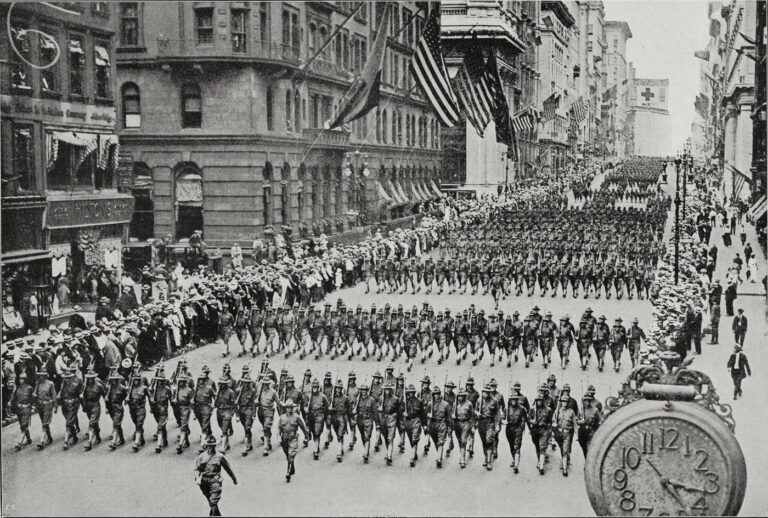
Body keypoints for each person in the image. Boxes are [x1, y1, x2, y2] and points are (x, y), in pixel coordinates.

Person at [195, 435, 237, 516]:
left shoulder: (220, 456)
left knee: (213, 501)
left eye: (212, 446)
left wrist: (234, 479)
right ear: (206, 446)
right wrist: (197, 478)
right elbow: (197, 468)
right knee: (210, 500)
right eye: (209, 446)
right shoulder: (202, 456)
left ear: (215, 445)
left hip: (215, 481)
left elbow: (228, 468)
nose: (210, 448)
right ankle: (217, 514)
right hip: (204, 481)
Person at [278, 400, 309, 482]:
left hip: (293, 437)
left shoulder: (297, 417)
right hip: (284, 438)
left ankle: (288, 472)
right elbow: (279, 428)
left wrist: (306, 435)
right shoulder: (282, 417)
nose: (288, 409)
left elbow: (303, 426)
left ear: (292, 408)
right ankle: (292, 466)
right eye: (287, 408)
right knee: (287, 455)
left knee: (291, 454)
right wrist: (278, 436)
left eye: (290, 408)